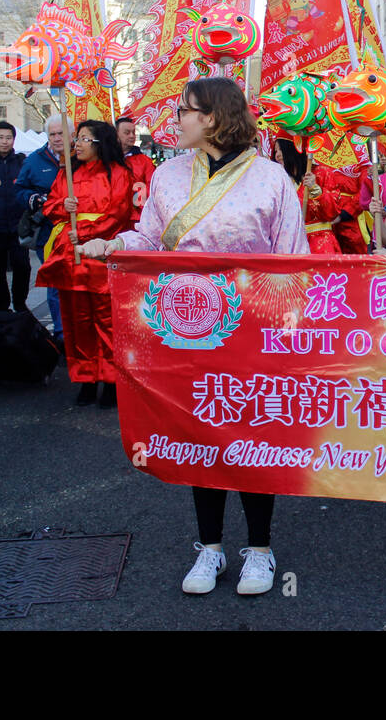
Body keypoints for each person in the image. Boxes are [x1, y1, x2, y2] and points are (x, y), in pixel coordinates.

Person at [78, 76, 307, 596]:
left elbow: (291, 262)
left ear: (213, 117)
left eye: (184, 110)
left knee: (251, 438)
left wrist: (284, 333)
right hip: (187, 327)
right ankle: (209, 548)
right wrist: (109, 244)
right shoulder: (167, 175)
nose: (174, 118)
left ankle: (261, 550)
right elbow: (151, 238)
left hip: (252, 330)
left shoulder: (272, 179)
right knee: (198, 434)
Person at [35, 120, 133, 409]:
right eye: (76, 138)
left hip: (102, 256)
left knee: (107, 320)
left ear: (99, 143)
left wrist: (88, 233)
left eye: (84, 139)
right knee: (77, 321)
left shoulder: (118, 173)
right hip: (71, 255)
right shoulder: (67, 172)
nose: (77, 144)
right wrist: (62, 207)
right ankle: (86, 378)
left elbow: (119, 213)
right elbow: (50, 207)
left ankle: (112, 380)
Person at [15, 113, 70, 339]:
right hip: (47, 233)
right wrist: (33, 198)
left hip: (77, 231)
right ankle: (60, 333)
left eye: (61, 133)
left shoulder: (81, 158)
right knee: (55, 283)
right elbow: (19, 190)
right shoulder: (34, 160)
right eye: (52, 134)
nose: (57, 138)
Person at [0, 121, 30, 313]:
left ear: (14, 140)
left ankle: (20, 303)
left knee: (23, 267)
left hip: (18, 227)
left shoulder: (21, 162)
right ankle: (1, 308)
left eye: (8, 138)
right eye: (0, 137)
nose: (4, 142)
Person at [116, 115, 156, 216]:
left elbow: (151, 186)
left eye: (133, 132)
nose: (132, 136)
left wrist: (135, 201)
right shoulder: (108, 159)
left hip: (136, 215)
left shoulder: (144, 161)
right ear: (116, 135)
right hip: (112, 215)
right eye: (127, 133)